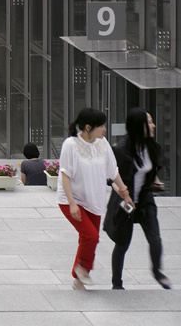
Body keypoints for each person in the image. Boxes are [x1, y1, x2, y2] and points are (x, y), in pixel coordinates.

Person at [57, 107, 133, 290]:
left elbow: (112, 171)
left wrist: (124, 192)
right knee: (91, 236)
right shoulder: (70, 144)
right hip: (72, 200)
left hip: (94, 199)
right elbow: (65, 175)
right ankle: (82, 272)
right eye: (101, 126)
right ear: (88, 127)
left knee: (88, 238)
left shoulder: (102, 143)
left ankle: (78, 280)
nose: (104, 129)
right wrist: (72, 204)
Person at [109, 107, 169, 290]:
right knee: (122, 243)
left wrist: (155, 182)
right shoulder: (121, 150)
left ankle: (157, 273)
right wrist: (123, 193)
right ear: (138, 126)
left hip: (144, 200)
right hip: (125, 203)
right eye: (149, 122)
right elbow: (110, 178)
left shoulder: (150, 146)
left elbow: (149, 169)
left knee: (155, 238)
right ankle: (117, 284)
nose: (154, 125)